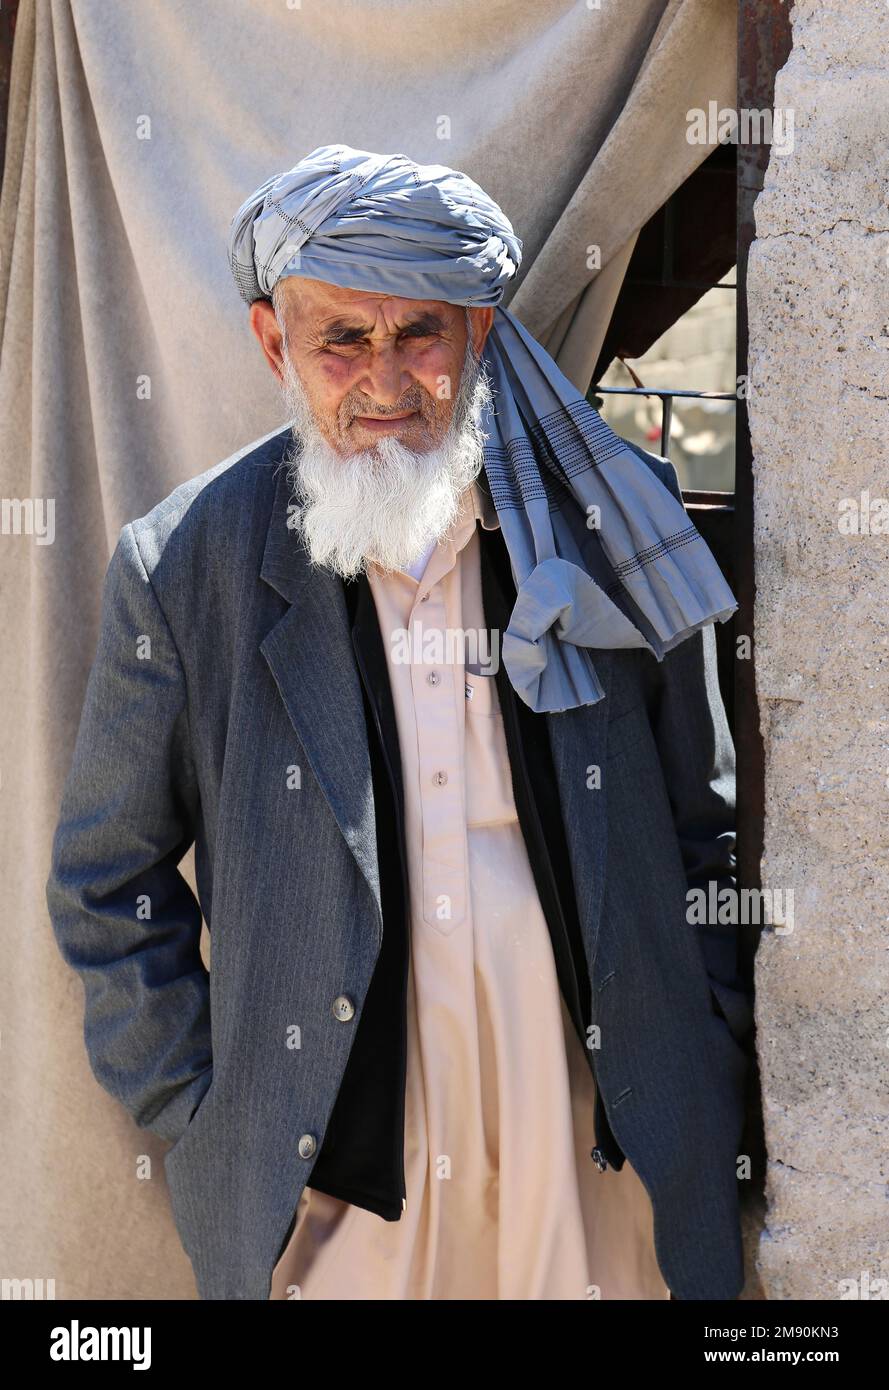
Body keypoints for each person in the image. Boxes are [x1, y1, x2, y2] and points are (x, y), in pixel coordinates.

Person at [46, 145, 753, 1301]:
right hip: (330, 1178)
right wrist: (208, 1115)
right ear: (276, 344)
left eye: (420, 333)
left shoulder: (614, 523)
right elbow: (104, 882)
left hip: (597, 1149)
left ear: (478, 334)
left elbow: (704, 830)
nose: (385, 379)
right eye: (341, 340)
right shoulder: (185, 567)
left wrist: (705, 1058)